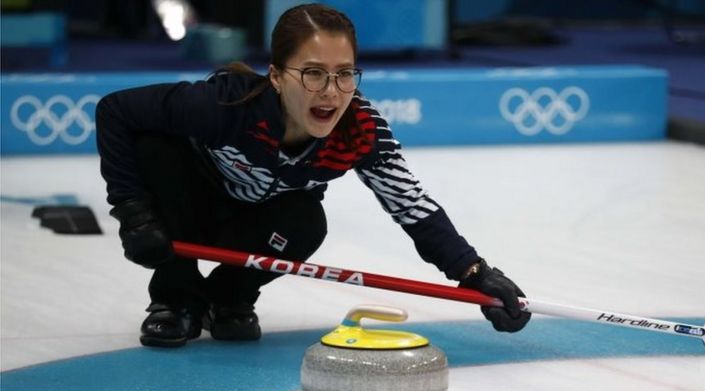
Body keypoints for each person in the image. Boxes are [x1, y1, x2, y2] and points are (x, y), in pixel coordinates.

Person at [96, 3, 531, 348]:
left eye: (344, 75)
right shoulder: (226, 105)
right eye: (313, 73)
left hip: (257, 224)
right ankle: (175, 299)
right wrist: (133, 212)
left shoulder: (361, 129)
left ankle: (229, 299)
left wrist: (475, 274)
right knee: (158, 154)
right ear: (277, 76)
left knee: (306, 223)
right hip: (190, 208)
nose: (330, 91)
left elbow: (411, 205)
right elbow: (115, 110)